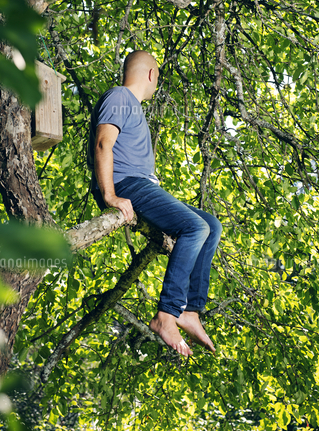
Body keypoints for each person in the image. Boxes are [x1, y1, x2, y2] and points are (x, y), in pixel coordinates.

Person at [87, 50, 222, 357]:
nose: (157, 82)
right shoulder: (120, 97)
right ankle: (167, 314)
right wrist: (109, 194)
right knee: (194, 227)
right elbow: (102, 142)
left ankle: (189, 310)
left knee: (211, 226)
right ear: (151, 74)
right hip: (128, 184)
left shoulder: (131, 105)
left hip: (140, 185)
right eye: (158, 76)